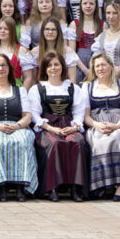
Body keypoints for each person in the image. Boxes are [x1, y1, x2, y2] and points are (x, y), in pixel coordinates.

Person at [28, 50, 88, 201]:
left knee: (77, 142)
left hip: (68, 124)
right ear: (44, 69)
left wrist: (75, 127)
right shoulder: (38, 89)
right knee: (53, 143)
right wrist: (50, 128)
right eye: (50, 65)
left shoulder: (73, 88)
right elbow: (34, 114)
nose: (53, 68)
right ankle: (51, 188)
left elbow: (79, 112)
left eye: (57, 64)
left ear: (63, 67)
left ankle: (76, 187)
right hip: (47, 126)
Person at [0, 54, 37, 201]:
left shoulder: (19, 90)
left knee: (23, 141)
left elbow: (27, 116)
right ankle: (0, 185)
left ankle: (20, 185)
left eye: (4, 65)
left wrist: (17, 125)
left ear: (10, 69)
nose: (1, 68)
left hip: (17, 126)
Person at [84, 53, 120, 200]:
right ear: (93, 69)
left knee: (118, 138)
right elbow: (86, 116)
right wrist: (96, 125)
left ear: (111, 66)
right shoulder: (88, 87)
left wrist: (117, 125)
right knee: (97, 140)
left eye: (103, 65)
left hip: (119, 122)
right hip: (97, 123)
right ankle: (102, 185)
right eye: (97, 66)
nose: (100, 68)